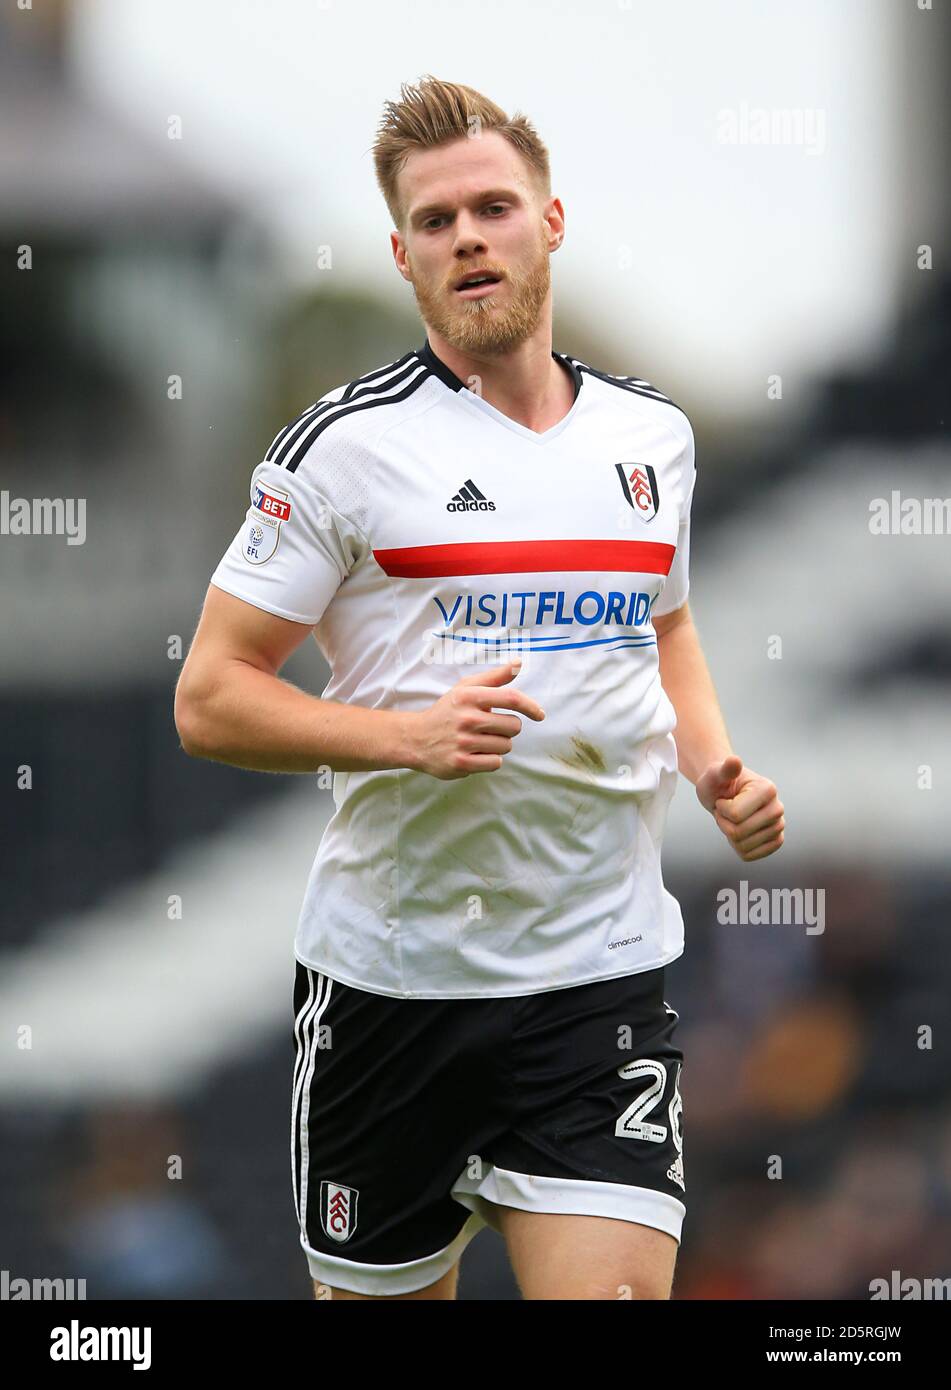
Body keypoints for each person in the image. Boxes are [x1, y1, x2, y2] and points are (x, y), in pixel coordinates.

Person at [174, 75, 785, 1301]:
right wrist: (402, 736)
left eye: (492, 208)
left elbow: (664, 623)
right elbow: (209, 696)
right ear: (403, 255)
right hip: (392, 996)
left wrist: (714, 760)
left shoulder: (650, 439)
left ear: (548, 223)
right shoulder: (343, 450)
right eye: (438, 222)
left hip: (593, 990)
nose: (469, 239)